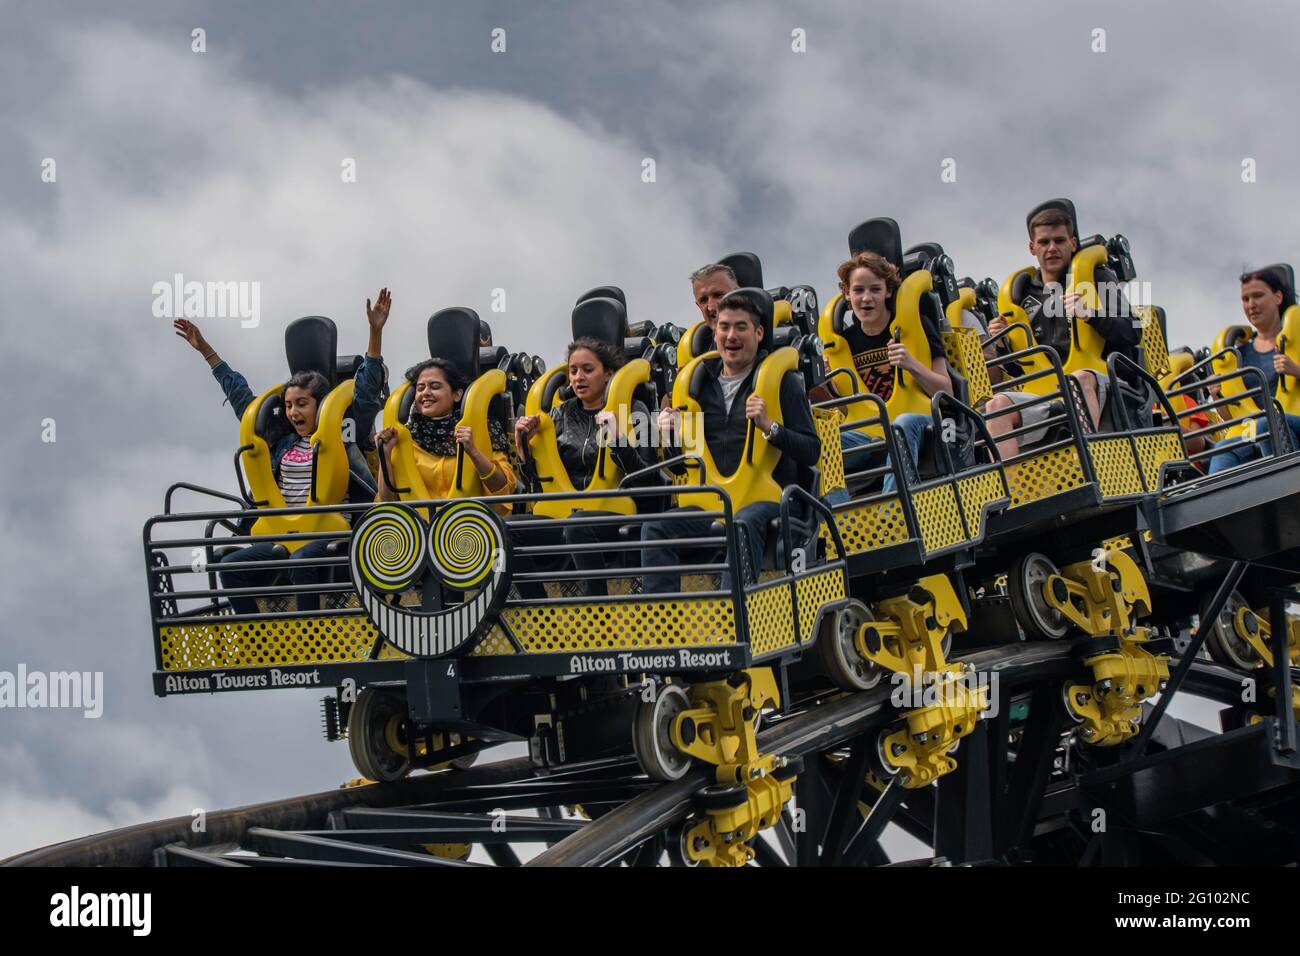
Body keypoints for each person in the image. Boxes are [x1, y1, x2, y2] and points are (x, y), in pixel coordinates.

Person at [174, 289, 388, 614]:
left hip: (331, 531)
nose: (293, 413)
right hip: (283, 531)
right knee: (228, 565)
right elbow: (242, 398)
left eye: (302, 404)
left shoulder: (345, 432)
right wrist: (207, 351)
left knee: (302, 561)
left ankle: (309, 634)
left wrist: (375, 333)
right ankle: (258, 635)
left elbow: (368, 390)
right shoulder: (283, 440)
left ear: (321, 404)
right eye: (288, 406)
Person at [642, 290, 821, 594]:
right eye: (724, 327)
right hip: (713, 500)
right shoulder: (698, 385)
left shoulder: (782, 382)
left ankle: (734, 623)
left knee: (742, 522)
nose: (731, 335)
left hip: (771, 499)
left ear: (759, 332)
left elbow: (811, 449)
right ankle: (663, 629)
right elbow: (683, 460)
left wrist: (771, 427)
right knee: (654, 529)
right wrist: (668, 433)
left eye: (741, 327)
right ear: (715, 333)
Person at [983, 205, 1140, 459]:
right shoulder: (1023, 296)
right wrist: (1003, 345)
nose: (1052, 248)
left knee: (1077, 380)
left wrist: (1091, 315)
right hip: (1046, 391)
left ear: (1073, 243)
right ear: (1032, 248)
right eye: (1044, 242)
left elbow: (1133, 333)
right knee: (996, 406)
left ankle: (1088, 467)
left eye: (1059, 240)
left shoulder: (1097, 277)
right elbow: (1022, 370)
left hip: (1102, 381)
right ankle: (1010, 493)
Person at [514, 337, 660, 596]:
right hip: (566, 516)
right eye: (573, 371)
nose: (578, 377)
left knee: (578, 525)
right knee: (505, 530)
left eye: (588, 370)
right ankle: (538, 614)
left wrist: (618, 442)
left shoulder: (637, 411)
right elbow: (536, 486)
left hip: (616, 516)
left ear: (609, 374)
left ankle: (596, 611)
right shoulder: (559, 415)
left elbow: (648, 483)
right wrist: (523, 447)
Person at [828, 251, 952, 499]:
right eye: (858, 290)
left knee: (900, 425)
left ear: (887, 291)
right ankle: (841, 520)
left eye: (875, 289)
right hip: (869, 430)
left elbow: (947, 392)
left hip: (918, 419)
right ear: (846, 293)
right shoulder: (844, 343)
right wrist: (830, 384)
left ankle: (894, 513)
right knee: (824, 444)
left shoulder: (917, 326)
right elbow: (849, 412)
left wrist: (911, 365)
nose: (866, 298)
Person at [372, 357, 516, 508]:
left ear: (457, 395)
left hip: (472, 524)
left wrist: (473, 452)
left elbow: (504, 488)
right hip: (418, 527)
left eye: (435, 386)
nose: (426, 393)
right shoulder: (403, 438)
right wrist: (385, 456)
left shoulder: (481, 428)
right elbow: (388, 504)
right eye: (420, 388)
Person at [1206, 269, 1300, 473]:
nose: (1251, 304)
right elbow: (1232, 419)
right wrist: (1217, 396)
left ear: (1278, 296)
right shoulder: (1239, 354)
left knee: (1267, 424)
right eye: (1245, 299)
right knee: (1224, 448)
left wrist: (1295, 370)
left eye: (1258, 296)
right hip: (1257, 432)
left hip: (1293, 423)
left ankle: (1287, 483)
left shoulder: (1297, 337)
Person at [688, 263, 740, 351]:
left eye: (718, 295)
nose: (711, 307)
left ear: (739, 294)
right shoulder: (698, 357)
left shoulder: (768, 341)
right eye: (703, 300)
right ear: (698, 306)